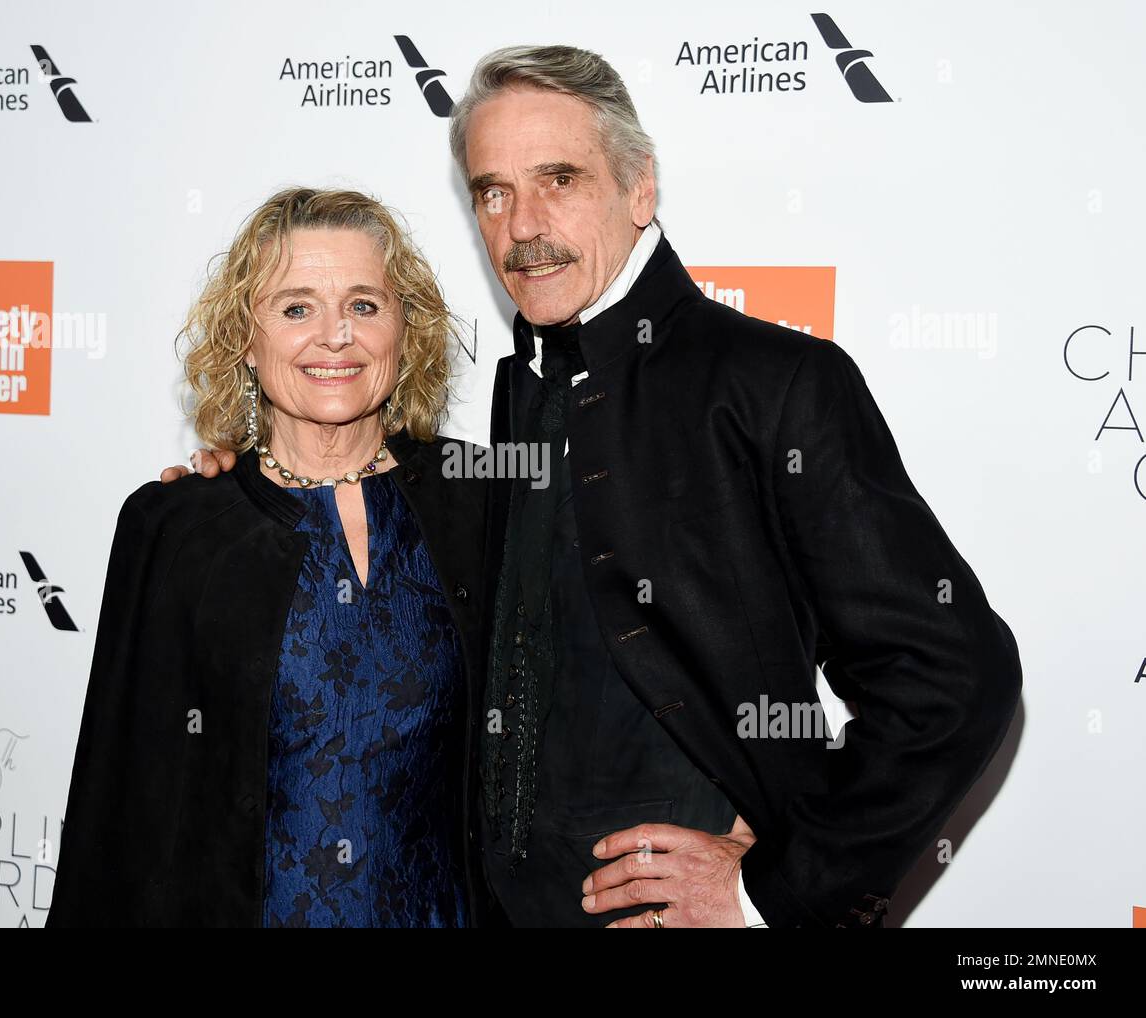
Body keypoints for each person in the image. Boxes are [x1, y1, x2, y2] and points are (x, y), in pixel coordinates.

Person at [171, 46, 1023, 929]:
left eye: (560, 179)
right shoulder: (518, 390)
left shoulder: (776, 383)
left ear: (640, 188)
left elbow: (956, 674)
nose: (523, 224)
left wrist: (766, 891)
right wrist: (235, 492)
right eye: (493, 192)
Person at [47, 187, 492, 927]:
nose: (334, 336)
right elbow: (122, 805)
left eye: (363, 305)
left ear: (405, 330)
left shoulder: (481, 503)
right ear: (245, 341)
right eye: (295, 308)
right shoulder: (178, 528)